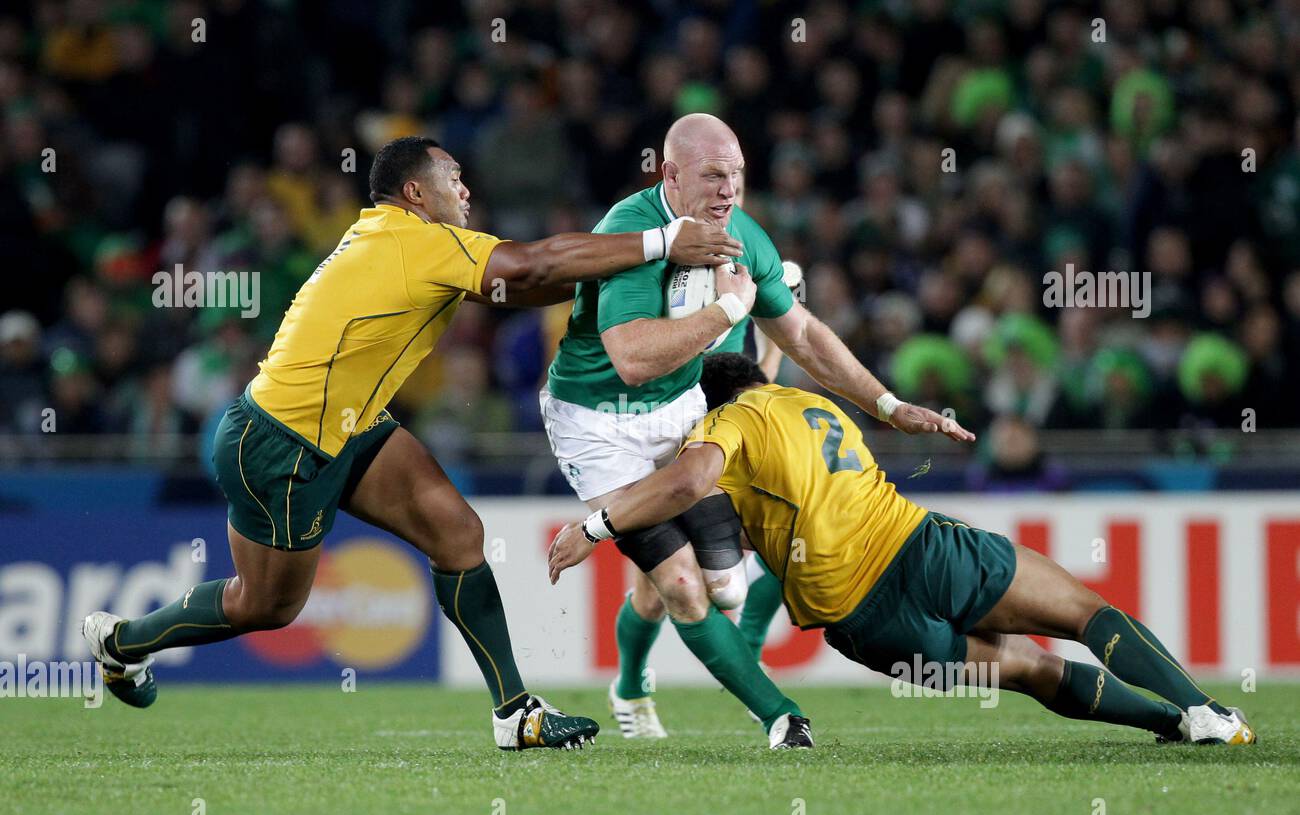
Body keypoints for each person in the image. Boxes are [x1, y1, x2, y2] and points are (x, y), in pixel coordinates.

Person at [82, 135, 741, 751]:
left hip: (351, 423)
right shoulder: (411, 239)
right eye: (454, 179)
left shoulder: (407, 241)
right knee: (267, 605)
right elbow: (534, 262)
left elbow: (528, 284)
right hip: (281, 441)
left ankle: (516, 713)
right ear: (416, 194)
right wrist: (659, 242)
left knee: (457, 532)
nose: (467, 191)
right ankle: (122, 640)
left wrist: (631, 278)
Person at [548, 353, 1257, 746]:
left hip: (866, 620)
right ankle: (1203, 712)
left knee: (1033, 670)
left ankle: (1170, 722)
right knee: (1083, 610)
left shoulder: (723, 428)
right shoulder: (816, 403)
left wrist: (596, 525)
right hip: (920, 546)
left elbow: (692, 480)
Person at [541, 114, 971, 747]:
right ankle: (780, 715)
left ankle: (630, 685)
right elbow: (632, 362)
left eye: (736, 176)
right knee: (682, 586)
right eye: (713, 176)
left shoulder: (743, 236)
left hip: (683, 410)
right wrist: (732, 308)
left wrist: (884, 403)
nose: (728, 191)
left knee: (721, 581)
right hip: (598, 425)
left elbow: (799, 333)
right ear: (671, 175)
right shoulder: (630, 232)